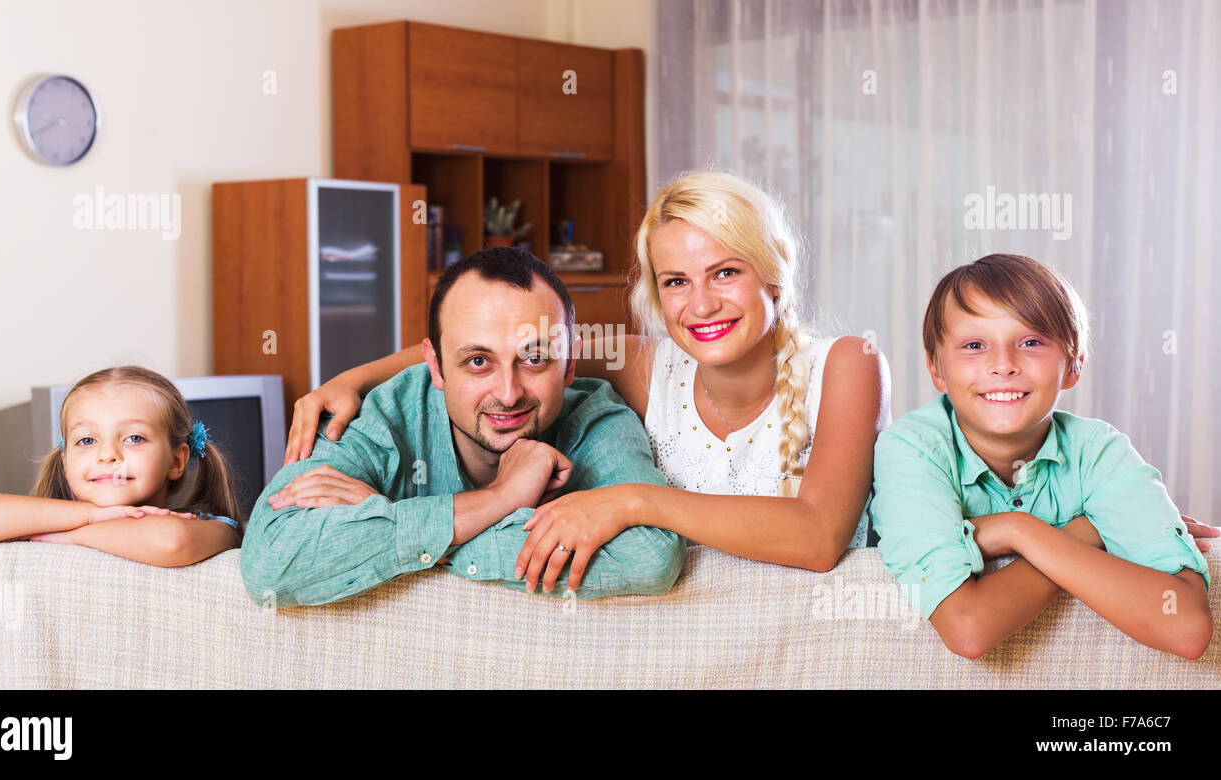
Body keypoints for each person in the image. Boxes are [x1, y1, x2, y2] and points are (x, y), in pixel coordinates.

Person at [284, 171, 890, 595]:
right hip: (689, 640)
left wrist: (631, 501)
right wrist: (354, 378)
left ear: (774, 277)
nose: (701, 304)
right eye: (676, 281)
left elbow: (818, 536)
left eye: (725, 272)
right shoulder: (646, 363)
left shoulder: (847, 364)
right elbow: (494, 345)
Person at [239, 247, 685, 608]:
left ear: (569, 362)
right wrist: (498, 499)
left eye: (534, 359)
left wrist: (393, 522)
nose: (509, 394)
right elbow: (269, 562)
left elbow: (650, 558)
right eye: (478, 362)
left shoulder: (597, 420)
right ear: (434, 366)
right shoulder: (378, 417)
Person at [871, 254, 1215, 659]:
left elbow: (1188, 628)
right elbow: (968, 630)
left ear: (1073, 364)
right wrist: (1084, 531)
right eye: (975, 345)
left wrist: (1015, 533)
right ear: (937, 369)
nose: (1003, 365)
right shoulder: (911, 449)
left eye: (1031, 342)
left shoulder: (1099, 452)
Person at [0, 366, 243, 567]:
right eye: (86, 441)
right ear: (66, 460)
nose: (107, 455)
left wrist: (70, 537)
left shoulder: (211, 526)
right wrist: (91, 515)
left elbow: (171, 541)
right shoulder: (51, 518)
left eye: (134, 437)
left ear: (177, 460)